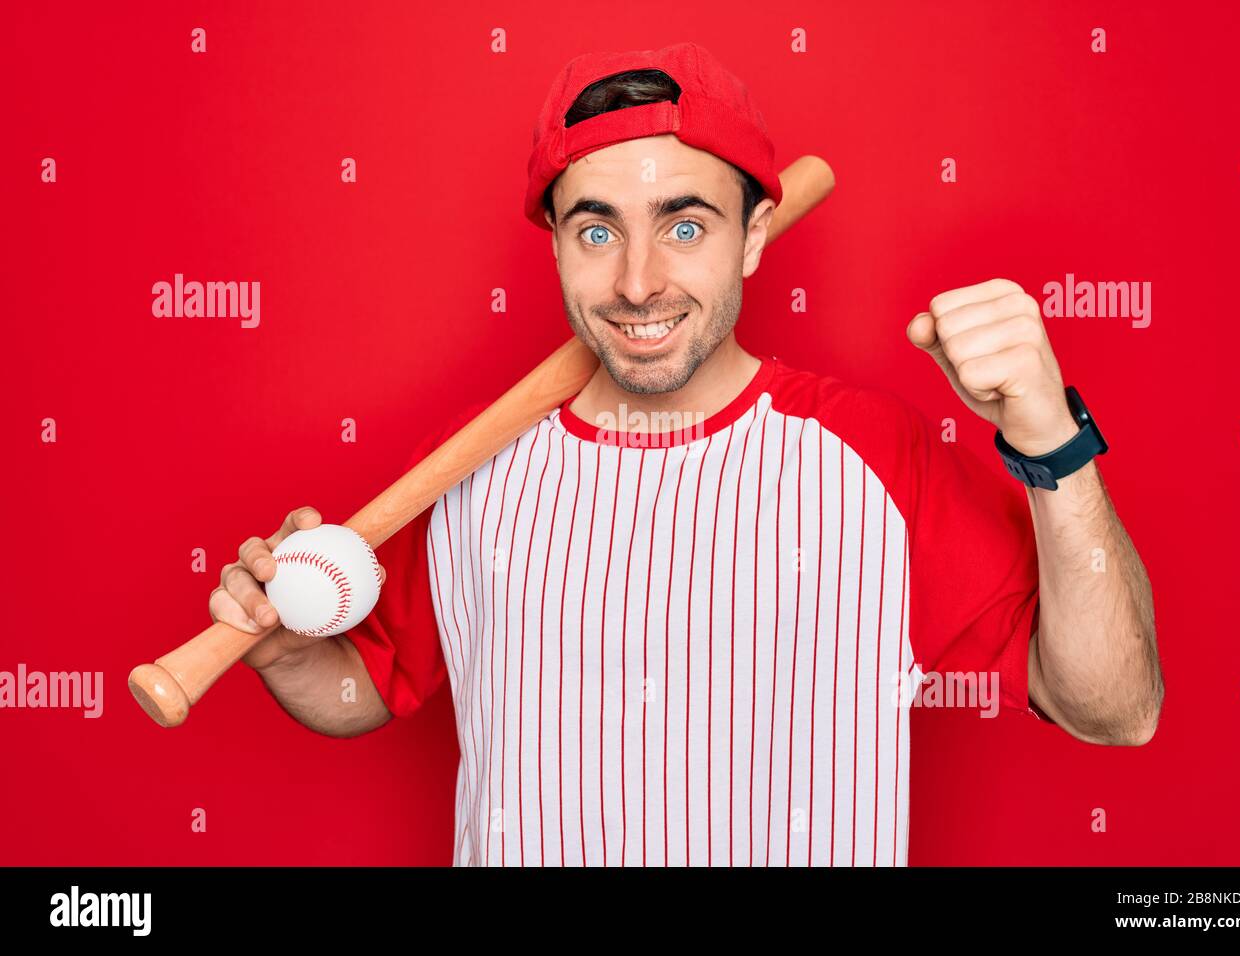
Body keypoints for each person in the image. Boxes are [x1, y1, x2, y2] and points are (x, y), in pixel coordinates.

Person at [212, 42, 1163, 866]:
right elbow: (368, 689)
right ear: (553, 243)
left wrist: (1052, 441)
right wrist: (296, 661)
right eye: (596, 229)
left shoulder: (876, 458)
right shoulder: (467, 466)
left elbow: (1114, 709)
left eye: (684, 224)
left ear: (753, 235)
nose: (637, 282)